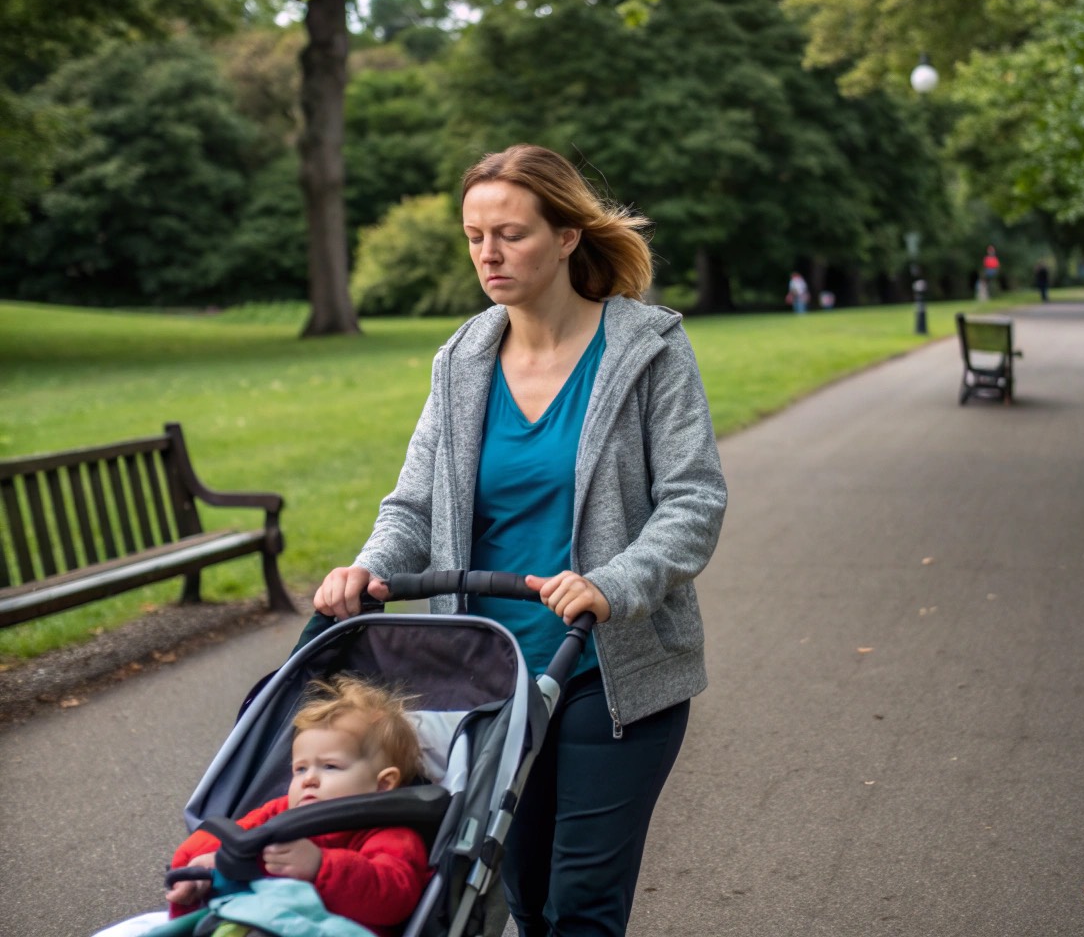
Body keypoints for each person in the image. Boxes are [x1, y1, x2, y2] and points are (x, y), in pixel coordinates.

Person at [312, 143, 728, 937]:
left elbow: (693, 500)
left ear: (567, 236)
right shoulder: (462, 358)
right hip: (490, 674)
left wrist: (613, 581)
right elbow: (412, 504)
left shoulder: (646, 348)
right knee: (520, 900)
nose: (488, 254)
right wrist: (368, 566)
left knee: (581, 908)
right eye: (473, 236)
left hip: (611, 671)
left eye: (510, 233)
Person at [93, 676, 430, 937]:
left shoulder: (390, 830)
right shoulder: (281, 812)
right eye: (300, 769)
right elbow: (228, 836)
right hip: (254, 916)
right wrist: (202, 869)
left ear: (383, 783)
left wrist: (321, 866)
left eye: (330, 767)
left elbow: (394, 895)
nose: (309, 780)